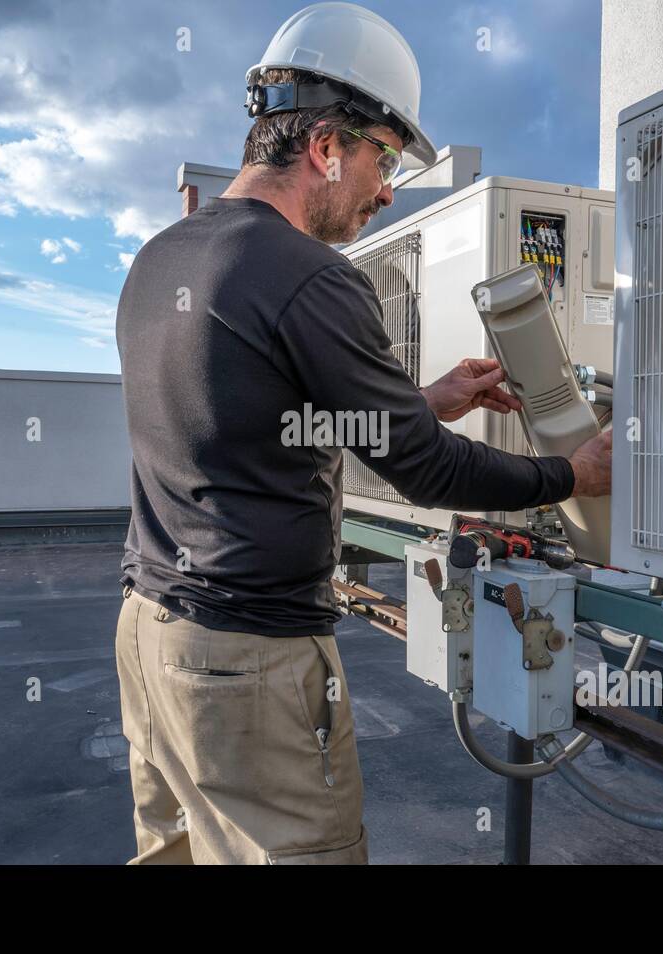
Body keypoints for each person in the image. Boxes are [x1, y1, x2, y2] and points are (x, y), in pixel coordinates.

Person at [114, 1, 612, 864]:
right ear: (325, 147)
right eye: (384, 158)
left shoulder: (162, 259)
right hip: (248, 665)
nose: (387, 190)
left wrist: (421, 399)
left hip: (148, 639)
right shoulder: (311, 276)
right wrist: (570, 475)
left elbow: (256, 422)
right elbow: (421, 472)